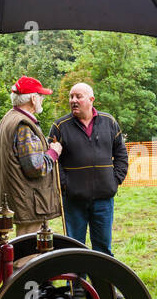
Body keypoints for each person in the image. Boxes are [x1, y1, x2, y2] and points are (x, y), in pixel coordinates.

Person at [48, 82, 128, 255]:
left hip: (104, 199)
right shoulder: (60, 126)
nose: (73, 100)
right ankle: (77, 283)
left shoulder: (109, 122)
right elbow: (55, 160)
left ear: (91, 99)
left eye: (78, 96)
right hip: (73, 200)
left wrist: (115, 181)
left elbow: (121, 154)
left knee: (103, 249)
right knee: (74, 250)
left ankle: (102, 283)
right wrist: (65, 184)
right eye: (71, 97)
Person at [0, 76, 63, 235]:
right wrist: (53, 153)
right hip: (28, 203)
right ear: (33, 98)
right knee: (28, 253)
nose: (42, 100)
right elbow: (35, 167)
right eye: (41, 96)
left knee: (20, 250)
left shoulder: (10, 117)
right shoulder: (23, 125)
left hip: (18, 200)